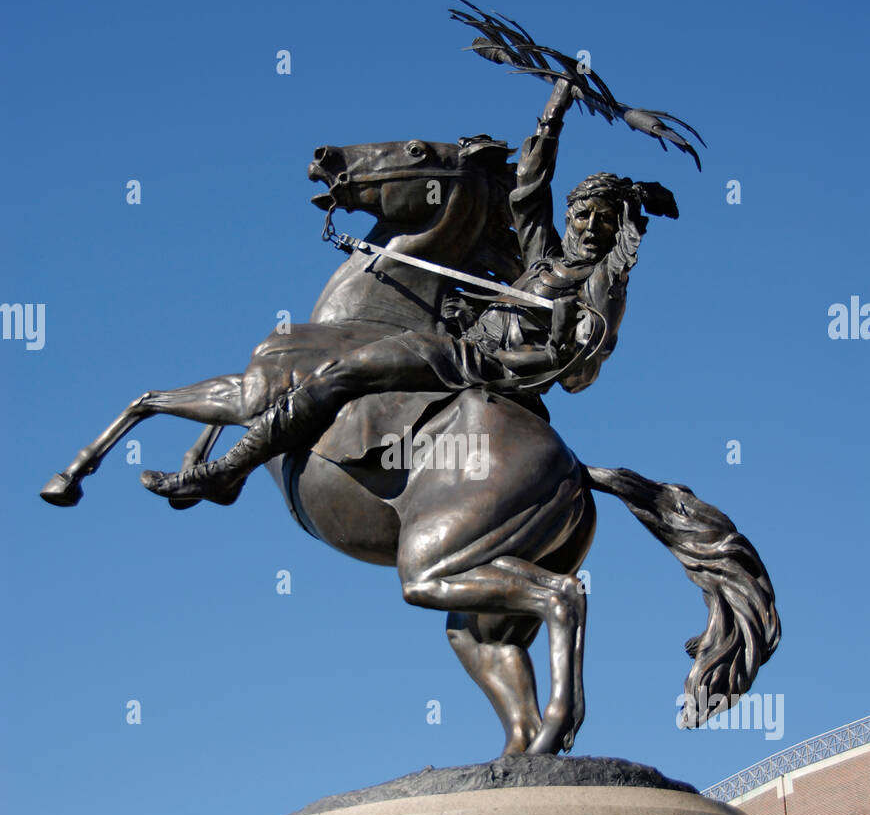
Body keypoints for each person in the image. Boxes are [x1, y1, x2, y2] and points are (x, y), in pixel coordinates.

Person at [142, 81, 676, 505]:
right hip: (461, 336)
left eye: (602, 220)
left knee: (345, 371)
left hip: (483, 363)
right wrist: (556, 106)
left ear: (616, 230)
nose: (588, 225)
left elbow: (581, 374)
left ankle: (226, 471)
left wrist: (559, 343)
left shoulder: (605, 285)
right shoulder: (547, 255)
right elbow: (529, 186)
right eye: (581, 213)